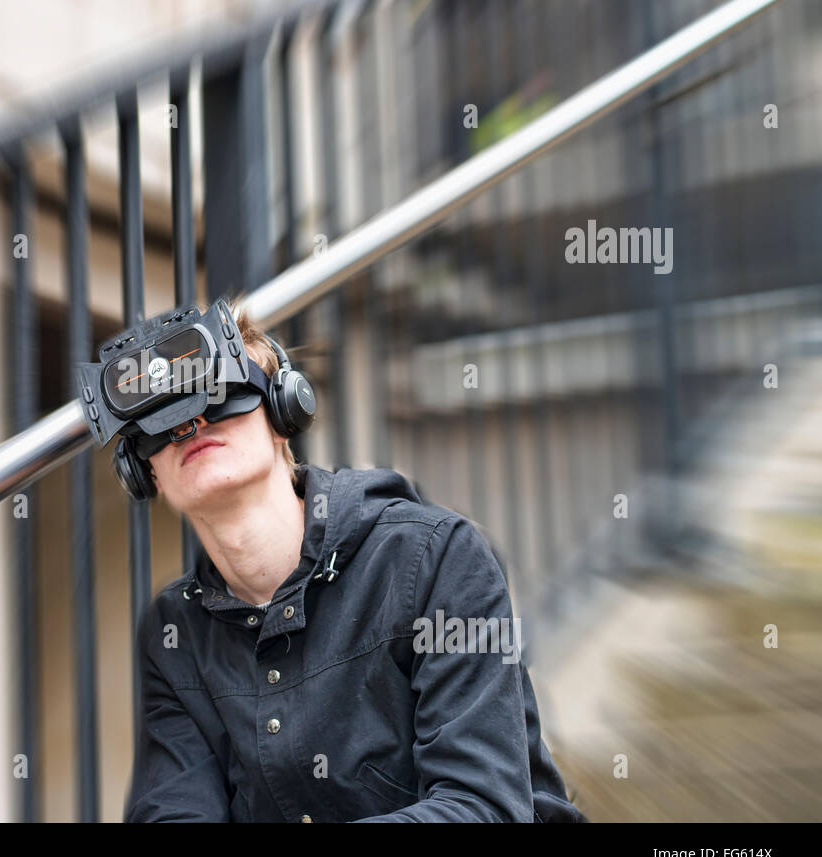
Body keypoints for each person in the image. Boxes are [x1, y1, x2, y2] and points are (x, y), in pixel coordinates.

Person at [122, 294, 587, 823]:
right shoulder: (173, 631)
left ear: (281, 411)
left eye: (220, 389)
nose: (192, 423)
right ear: (144, 473)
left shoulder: (435, 559)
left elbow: (481, 808)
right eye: (160, 419)